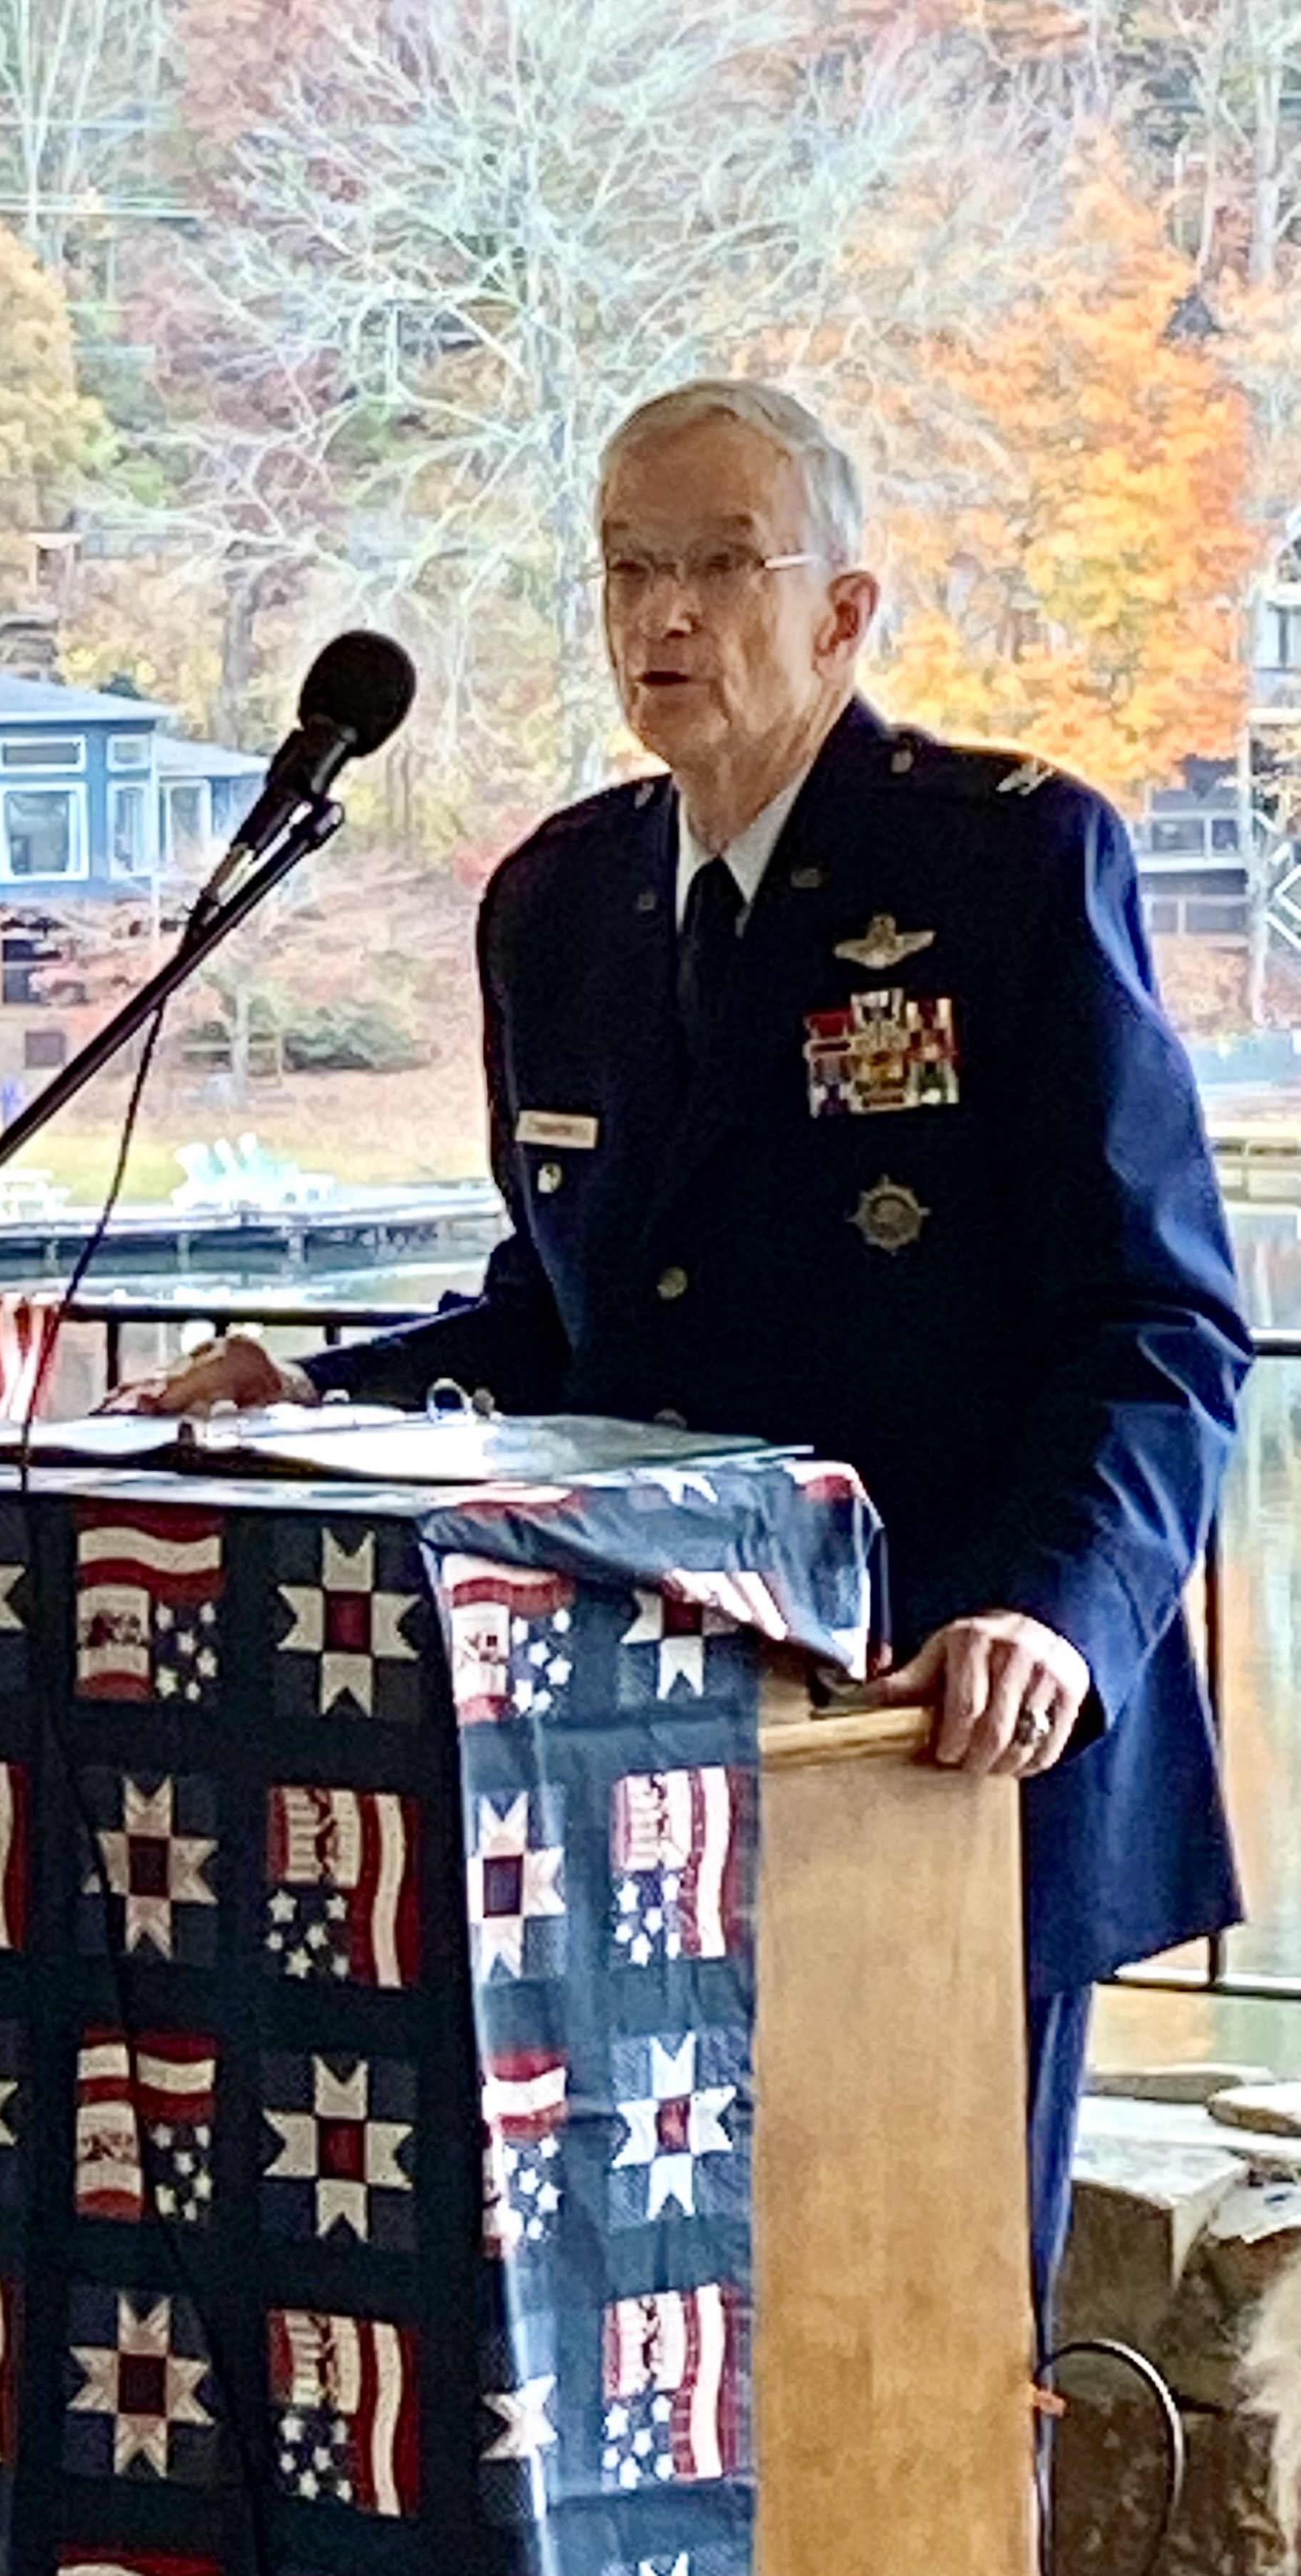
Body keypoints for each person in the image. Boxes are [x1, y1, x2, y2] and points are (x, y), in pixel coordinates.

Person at [113, 379, 1252, 2340]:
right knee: (649, 2378)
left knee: (913, 2366)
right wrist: (320, 1400)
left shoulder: (1007, 865)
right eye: (632, 566)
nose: (668, 613)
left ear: (842, 610)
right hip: (626, 1765)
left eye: (725, 563)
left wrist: (1054, 1616)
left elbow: (1161, 1325)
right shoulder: (558, 905)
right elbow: (568, 1326)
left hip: (931, 1739)